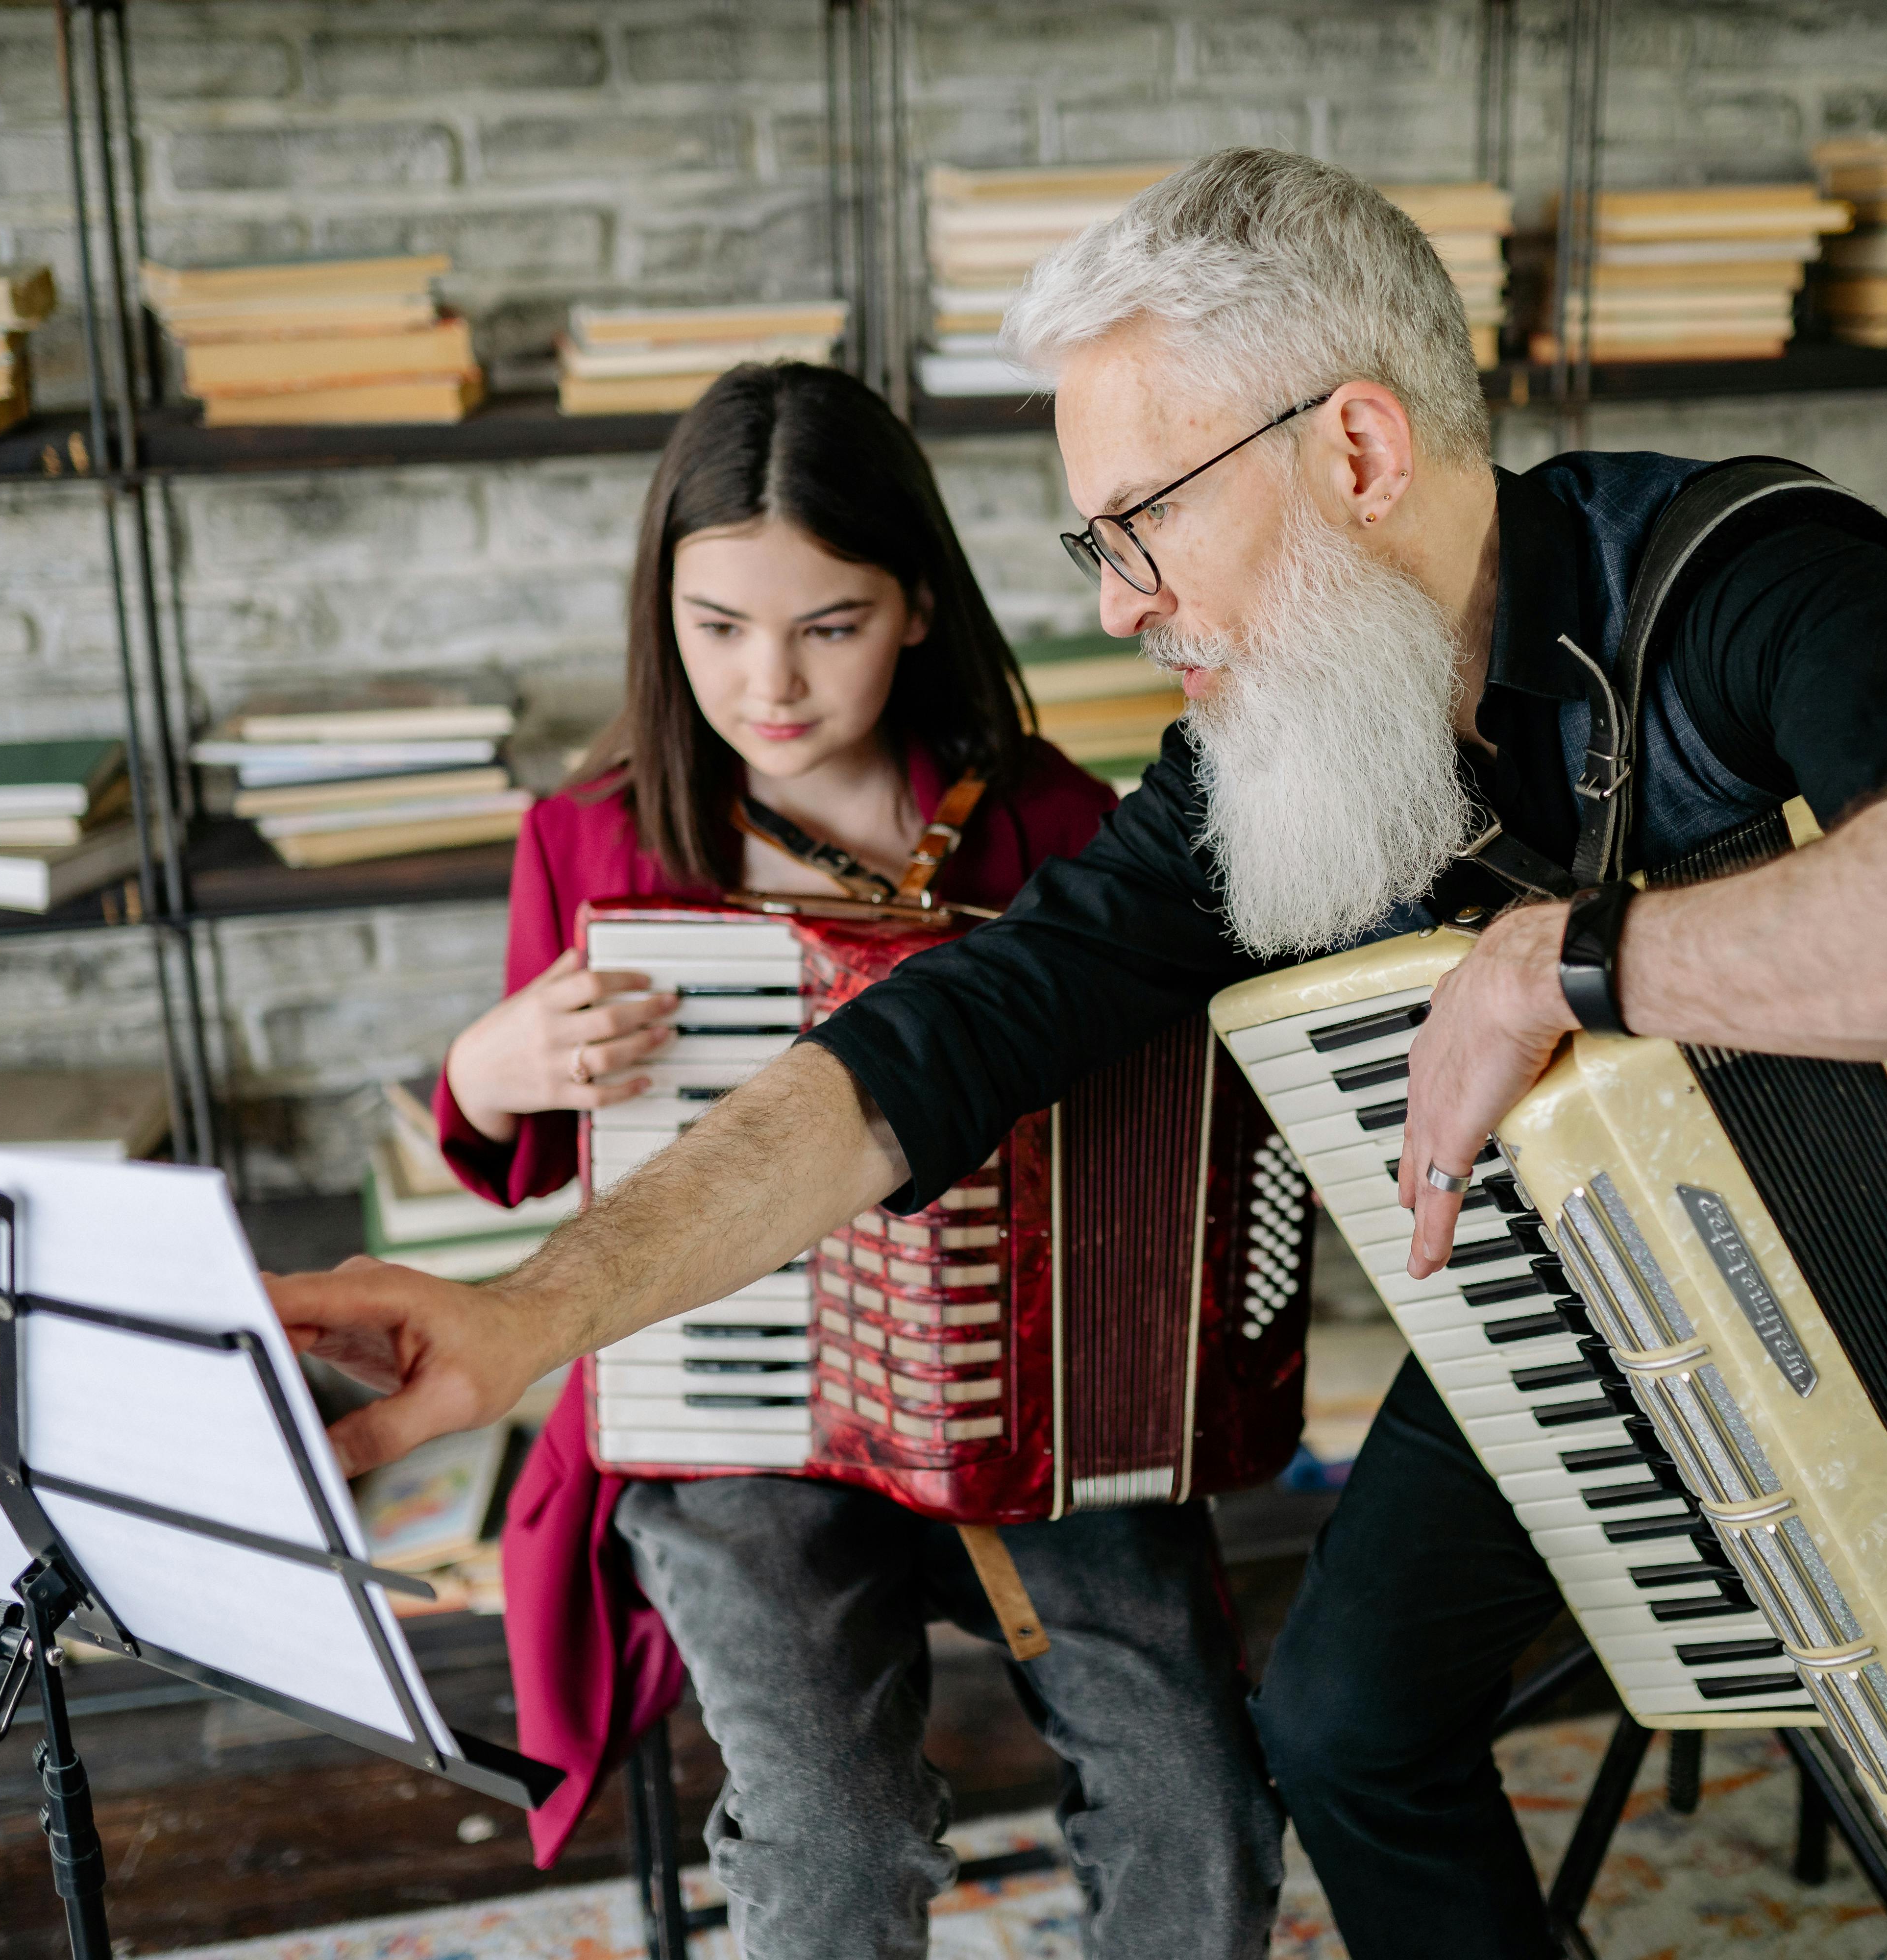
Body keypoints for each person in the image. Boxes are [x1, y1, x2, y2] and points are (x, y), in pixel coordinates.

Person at [276, 154, 1887, 1960]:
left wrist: (1560, 963)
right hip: (1605, 1298)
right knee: (1346, 1726)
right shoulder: (1279, 745)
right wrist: (532, 1313)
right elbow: (923, 1053)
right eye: (1097, 540)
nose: (1119, 602)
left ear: (1358, 447)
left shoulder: (1742, 575)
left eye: (1143, 522)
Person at [425, 362, 1282, 1960]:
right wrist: (487, 1068)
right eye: (717, 627)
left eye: (830, 626)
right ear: (661, 615)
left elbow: (1174, 1099)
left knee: (1197, 1784)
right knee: (832, 1823)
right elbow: (521, 1168)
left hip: (1034, 1407)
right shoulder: (593, 840)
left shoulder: (1049, 822)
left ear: (915, 607)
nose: (771, 682)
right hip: (734, 1428)